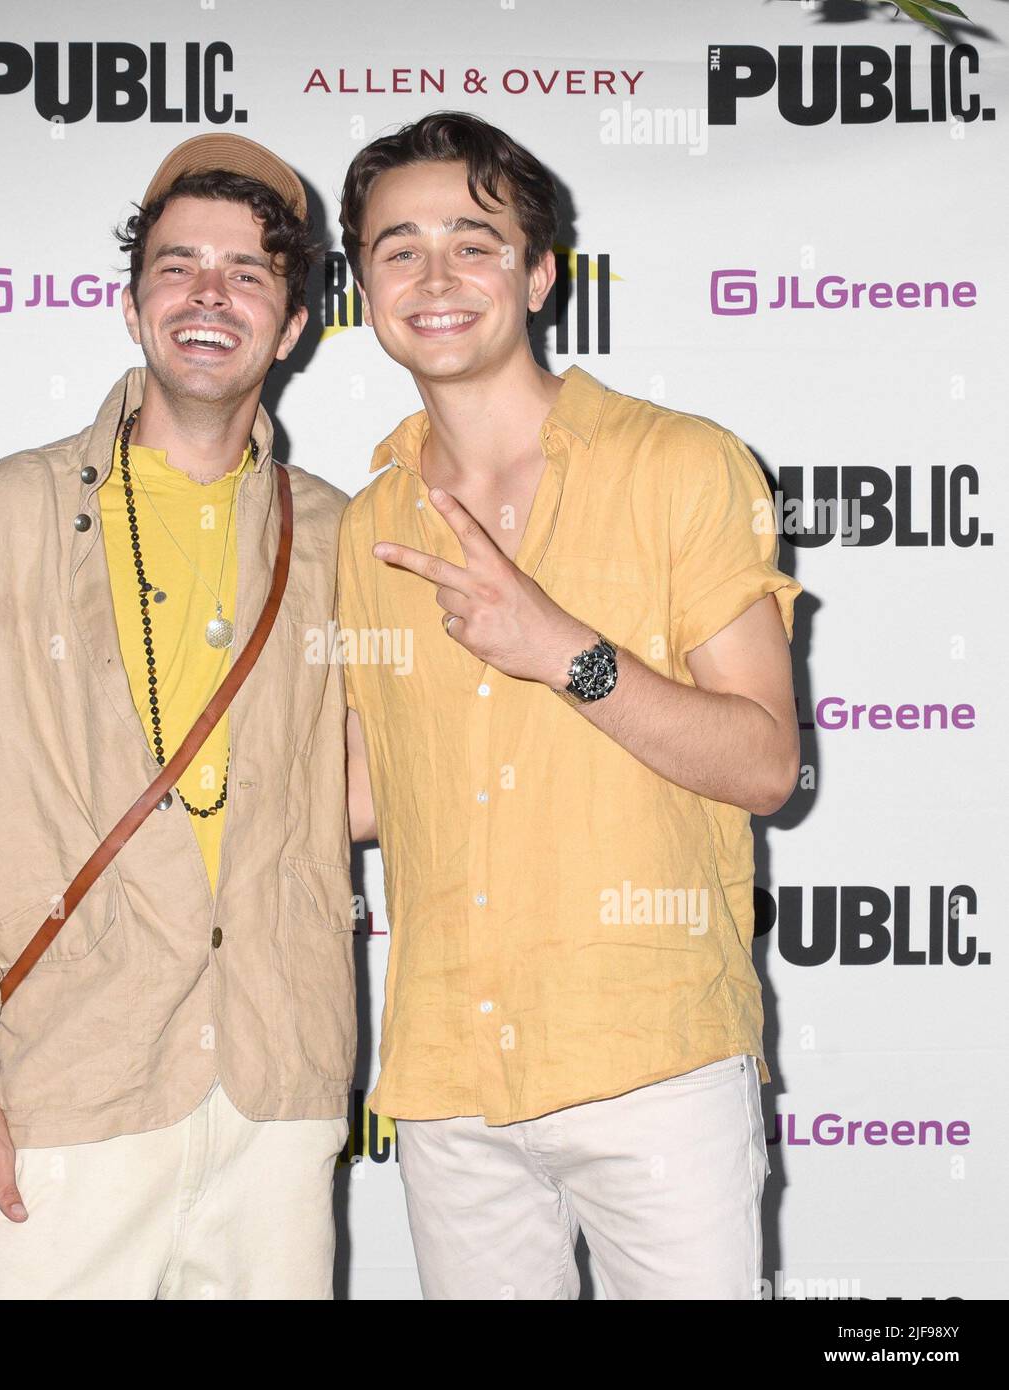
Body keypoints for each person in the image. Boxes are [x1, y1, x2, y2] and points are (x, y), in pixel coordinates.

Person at [0, 134, 358, 1300]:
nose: (210, 296)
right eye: (179, 265)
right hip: (68, 1089)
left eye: (248, 273)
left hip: (275, 1092)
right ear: (131, 302)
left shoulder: (339, 533)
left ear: (291, 325)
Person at [336, 111, 803, 1299]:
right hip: (448, 1075)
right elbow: (364, 794)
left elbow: (762, 764)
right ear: (361, 289)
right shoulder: (366, 523)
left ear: (539, 273)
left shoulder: (682, 464)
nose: (434, 277)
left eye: (473, 242)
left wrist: (565, 651)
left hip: (650, 1061)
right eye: (398, 248)